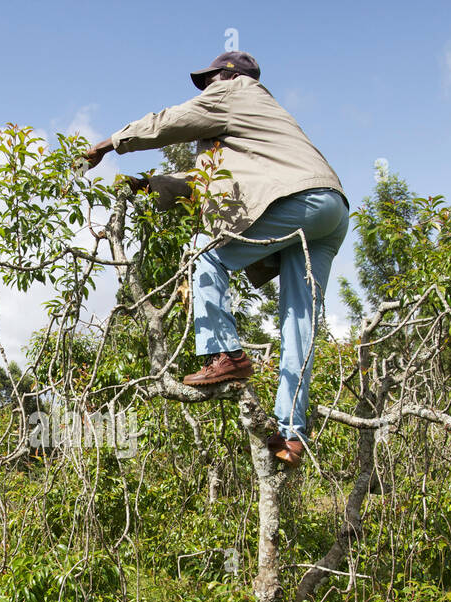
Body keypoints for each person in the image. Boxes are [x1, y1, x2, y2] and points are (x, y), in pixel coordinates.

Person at [86, 51, 348, 467]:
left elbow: (168, 121)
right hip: (329, 211)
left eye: (210, 80)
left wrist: (111, 143)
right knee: (299, 324)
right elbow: (202, 183)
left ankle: (226, 354)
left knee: (206, 255)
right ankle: (292, 436)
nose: (206, 89)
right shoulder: (257, 125)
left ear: (227, 75)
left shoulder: (235, 91)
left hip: (298, 200)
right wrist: (147, 185)